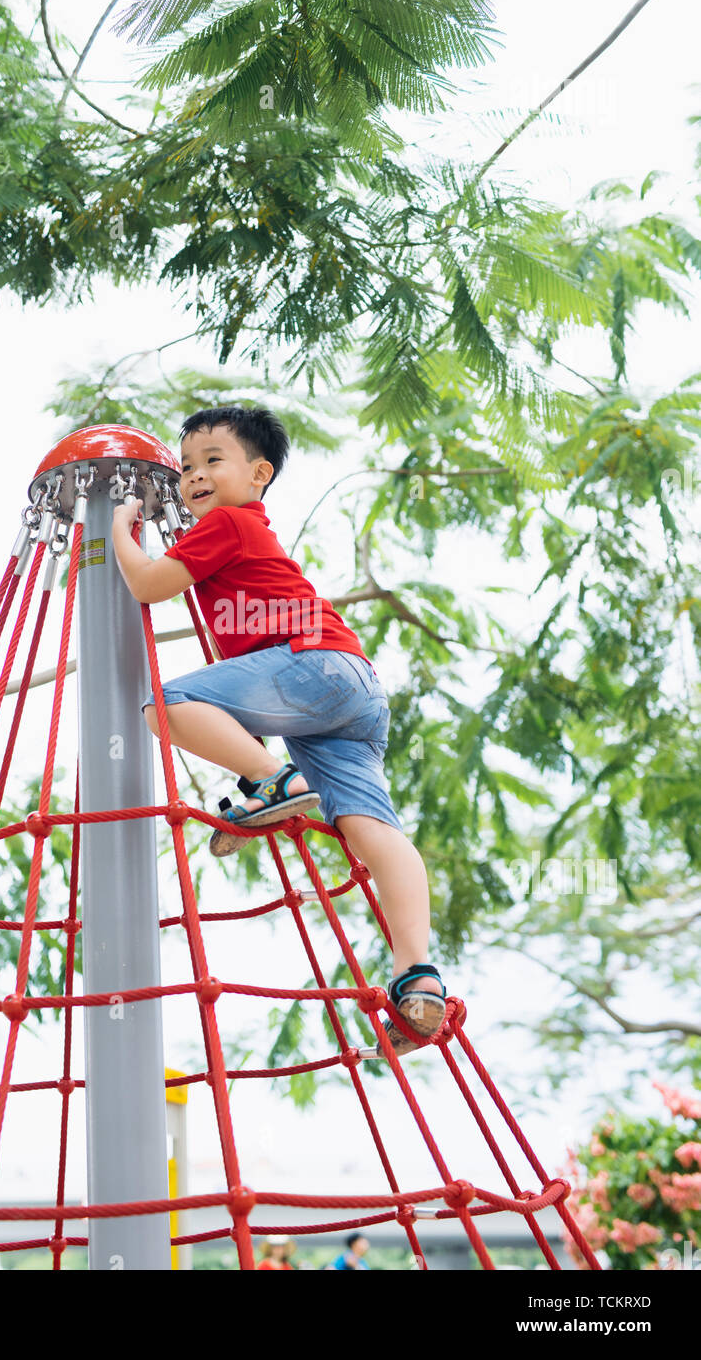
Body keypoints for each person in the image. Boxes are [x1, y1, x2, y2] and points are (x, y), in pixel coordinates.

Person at [110, 405, 446, 1055]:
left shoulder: (230, 524)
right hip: (350, 692)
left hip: (313, 668)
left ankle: (273, 780)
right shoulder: (235, 528)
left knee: (162, 704)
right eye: (186, 468)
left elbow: (149, 585)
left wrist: (121, 526)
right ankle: (418, 976)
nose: (195, 476)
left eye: (213, 460)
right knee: (376, 835)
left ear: (259, 474)